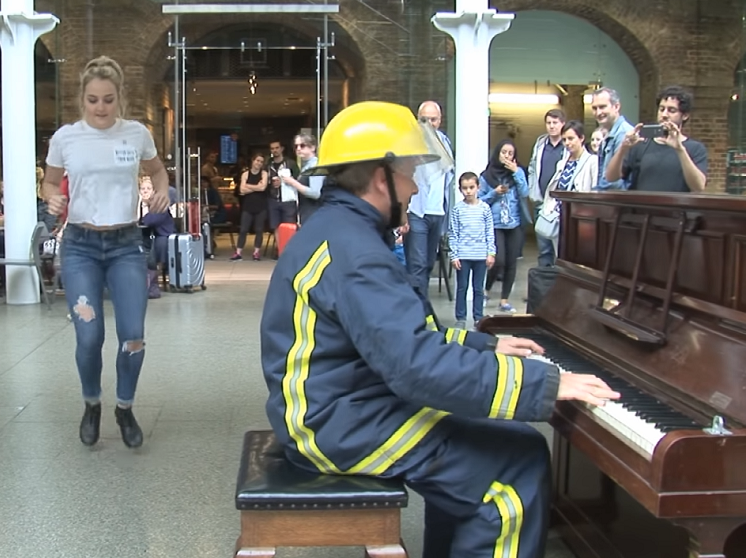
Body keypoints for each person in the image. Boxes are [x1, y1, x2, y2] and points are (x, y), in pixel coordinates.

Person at [260, 101, 619, 558]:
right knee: (511, 474)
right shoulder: (356, 250)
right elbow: (414, 366)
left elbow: (399, 336)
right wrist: (548, 383)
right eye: (410, 173)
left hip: (344, 402)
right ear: (379, 177)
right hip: (335, 423)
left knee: (512, 445)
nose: (413, 187)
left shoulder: (341, 229)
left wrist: (485, 345)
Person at [42, 56, 171, 449]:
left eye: (108, 100)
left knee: (133, 336)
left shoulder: (136, 134)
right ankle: (92, 403)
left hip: (126, 246)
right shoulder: (65, 138)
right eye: (93, 100)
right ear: (82, 99)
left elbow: (158, 171)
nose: (100, 108)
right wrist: (51, 199)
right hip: (80, 246)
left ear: (119, 100)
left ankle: (125, 407)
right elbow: (48, 183)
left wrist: (161, 189)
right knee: (89, 336)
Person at [604, 85, 708, 193]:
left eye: (671, 110)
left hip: (677, 208)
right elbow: (611, 177)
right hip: (642, 208)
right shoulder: (641, 143)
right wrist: (623, 148)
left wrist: (680, 150)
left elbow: (698, 187)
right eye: (661, 109)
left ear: (685, 115)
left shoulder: (695, 148)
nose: (664, 115)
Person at [405, 100, 454, 296]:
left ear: (439, 121)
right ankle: (418, 313)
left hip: (437, 211)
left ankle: (421, 308)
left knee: (426, 264)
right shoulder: (410, 143)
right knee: (416, 264)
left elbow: (448, 176)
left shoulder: (445, 143)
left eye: (433, 119)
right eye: (424, 119)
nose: (429, 123)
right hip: (416, 210)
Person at [478, 140, 529, 313]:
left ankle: (504, 300)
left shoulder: (517, 173)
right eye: (504, 152)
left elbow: (525, 193)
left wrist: (517, 173)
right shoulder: (486, 176)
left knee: (511, 262)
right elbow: (479, 200)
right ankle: (486, 289)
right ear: (497, 154)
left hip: (514, 224)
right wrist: (494, 192)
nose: (507, 156)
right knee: (498, 260)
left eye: (510, 153)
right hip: (495, 224)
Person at [535, 120, 598, 258]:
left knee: (579, 257)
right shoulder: (562, 163)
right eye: (564, 140)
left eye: (571, 138)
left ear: (581, 138)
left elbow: (595, 190)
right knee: (560, 256)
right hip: (559, 217)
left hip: (580, 217)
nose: (567, 143)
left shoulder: (592, 161)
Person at [449, 172, 496, 330]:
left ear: (478, 187)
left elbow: (490, 232)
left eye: (471, 187)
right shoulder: (457, 209)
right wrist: (454, 255)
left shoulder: (485, 209)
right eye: (464, 188)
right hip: (463, 255)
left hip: (480, 255)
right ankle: (461, 317)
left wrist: (491, 253)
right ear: (460, 189)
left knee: (478, 288)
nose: (468, 191)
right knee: (462, 287)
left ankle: (478, 317)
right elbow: (453, 233)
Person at [526, 110, 567, 268]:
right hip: (541, 203)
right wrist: (532, 191)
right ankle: (544, 289)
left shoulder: (567, 145)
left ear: (562, 123)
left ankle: (560, 286)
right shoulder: (540, 143)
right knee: (544, 250)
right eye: (549, 123)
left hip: (559, 206)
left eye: (555, 123)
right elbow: (532, 168)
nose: (551, 126)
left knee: (561, 250)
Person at [590, 87, 634, 190]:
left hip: (618, 201)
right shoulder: (608, 133)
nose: (598, 112)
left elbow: (615, 181)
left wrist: (594, 193)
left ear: (616, 106)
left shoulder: (623, 133)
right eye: (594, 108)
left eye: (602, 107)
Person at [230, 153, 269, 261]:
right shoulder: (245, 174)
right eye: (257, 161)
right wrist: (257, 186)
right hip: (247, 206)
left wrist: (248, 186)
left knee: (259, 230)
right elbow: (241, 190)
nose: (259, 163)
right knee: (243, 229)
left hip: (261, 206)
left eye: (261, 162)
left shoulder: (264, 173)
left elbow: (263, 188)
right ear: (252, 161)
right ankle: (238, 252)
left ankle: (256, 252)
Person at [280, 133, 322, 224]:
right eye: (296, 146)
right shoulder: (307, 166)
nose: (298, 149)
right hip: (307, 213)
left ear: (312, 148)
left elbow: (315, 193)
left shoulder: (315, 166)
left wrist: (293, 182)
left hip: (314, 214)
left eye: (302, 145)